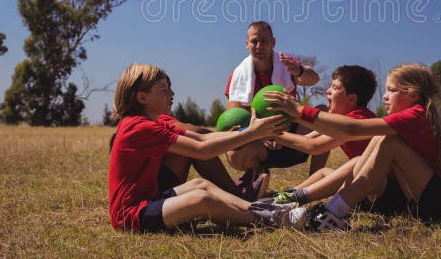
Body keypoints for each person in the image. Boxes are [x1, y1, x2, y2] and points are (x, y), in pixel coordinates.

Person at [265, 63, 441, 231]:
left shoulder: (417, 114)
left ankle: (330, 212)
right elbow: (319, 136)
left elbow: (349, 131)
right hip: (431, 204)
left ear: (412, 94)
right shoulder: (410, 117)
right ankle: (314, 207)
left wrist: (300, 111)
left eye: (391, 90)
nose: (384, 96)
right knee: (371, 145)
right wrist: (278, 131)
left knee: (387, 140)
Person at [108, 63, 305, 233]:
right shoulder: (138, 128)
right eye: (164, 90)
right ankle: (268, 220)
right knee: (201, 198)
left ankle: (258, 208)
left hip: (149, 200)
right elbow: (202, 150)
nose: (172, 94)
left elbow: (201, 138)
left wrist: (247, 132)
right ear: (142, 98)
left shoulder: (151, 123)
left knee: (200, 184)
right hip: (131, 217)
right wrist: (253, 133)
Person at [224, 21, 323, 178]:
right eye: (254, 41)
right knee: (233, 154)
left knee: (324, 112)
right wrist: (259, 134)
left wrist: (300, 70)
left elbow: (313, 79)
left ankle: (317, 178)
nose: (259, 46)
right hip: (260, 143)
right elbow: (234, 121)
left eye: (264, 41)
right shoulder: (238, 75)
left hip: (296, 138)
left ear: (273, 42)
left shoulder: (286, 64)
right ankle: (257, 178)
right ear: (247, 44)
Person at [269, 65, 377, 205]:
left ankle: (296, 198)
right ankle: (282, 198)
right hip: (365, 182)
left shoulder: (358, 120)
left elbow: (315, 146)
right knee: (324, 172)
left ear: (351, 99)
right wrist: (279, 137)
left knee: (357, 161)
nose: (328, 91)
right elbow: (310, 137)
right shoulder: (341, 119)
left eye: (335, 87)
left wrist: (270, 134)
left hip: (376, 190)